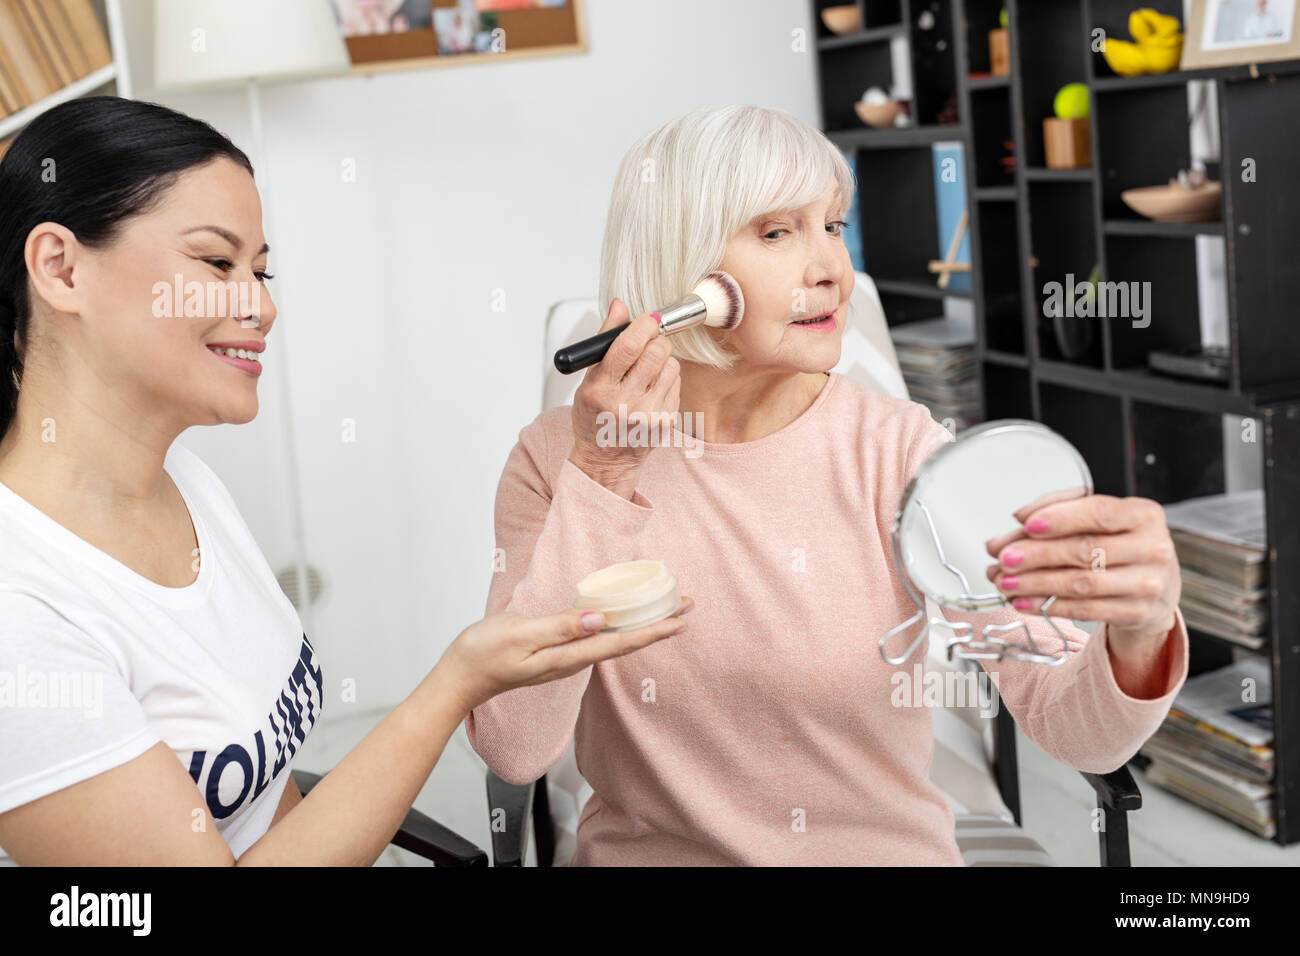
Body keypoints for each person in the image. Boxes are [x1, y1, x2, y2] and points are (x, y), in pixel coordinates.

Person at [467, 104, 1190, 865]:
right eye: (777, 232)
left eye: (834, 226)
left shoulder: (904, 453)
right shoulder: (558, 463)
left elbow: (1074, 728)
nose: (832, 270)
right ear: (678, 263)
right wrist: (605, 477)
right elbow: (515, 748)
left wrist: (1138, 633)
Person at [0, 96, 691, 866]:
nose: (261, 306)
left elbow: (272, 806)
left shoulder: (189, 489)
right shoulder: (17, 618)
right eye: (216, 262)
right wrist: (452, 686)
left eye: (263, 270)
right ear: (60, 268)